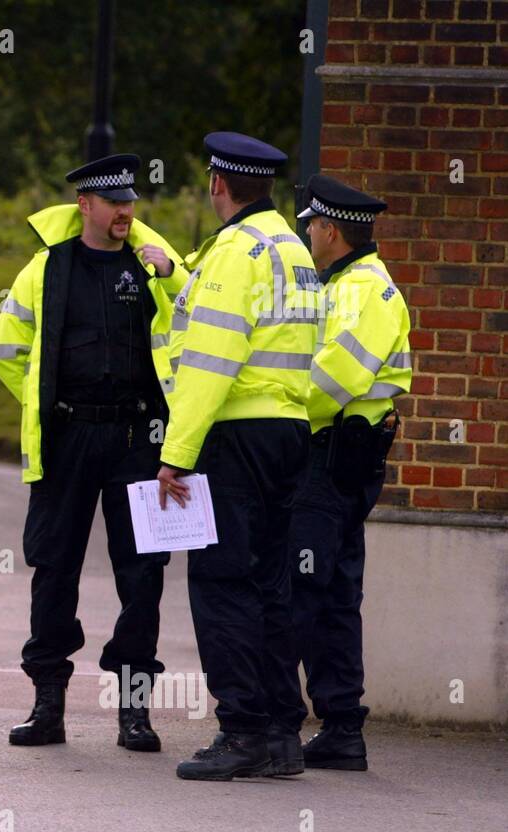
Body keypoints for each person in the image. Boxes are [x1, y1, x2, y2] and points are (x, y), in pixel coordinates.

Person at [0, 154, 185, 752]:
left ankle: (134, 709)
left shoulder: (156, 269)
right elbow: (7, 351)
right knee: (53, 570)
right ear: (85, 205)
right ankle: (48, 704)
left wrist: (172, 276)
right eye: (114, 202)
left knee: (144, 573)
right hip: (67, 438)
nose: (126, 211)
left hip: (139, 440)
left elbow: (198, 334)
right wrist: (43, 410)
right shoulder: (46, 269)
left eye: (131, 202)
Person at [156, 132, 320, 781]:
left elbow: (210, 360)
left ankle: (241, 730)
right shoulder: (292, 248)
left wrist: (176, 452)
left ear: (218, 185)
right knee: (271, 584)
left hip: (235, 435)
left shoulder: (233, 250)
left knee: (222, 581)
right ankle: (282, 732)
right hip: (288, 430)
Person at [270, 175, 411, 771]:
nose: (304, 232)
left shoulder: (366, 294)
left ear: (330, 231)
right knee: (331, 594)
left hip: (331, 462)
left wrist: (273, 409)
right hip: (336, 462)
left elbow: (330, 383)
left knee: (305, 593)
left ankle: (280, 724)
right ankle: (340, 726)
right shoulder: (345, 285)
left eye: (310, 225)